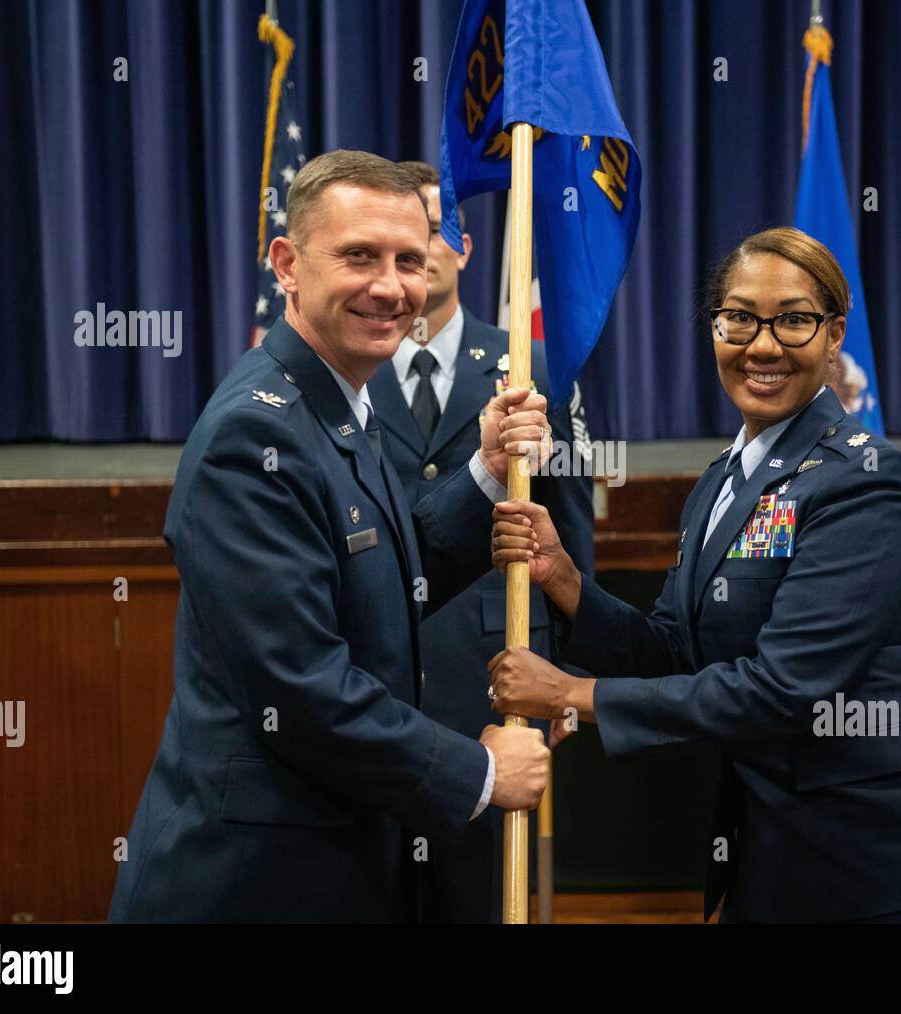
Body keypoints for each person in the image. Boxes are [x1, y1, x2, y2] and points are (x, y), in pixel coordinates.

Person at [488, 226, 901, 923]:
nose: (762, 344)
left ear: (834, 335)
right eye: (739, 317)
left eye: (794, 320)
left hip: (899, 867)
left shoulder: (866, 480)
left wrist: (573, 693)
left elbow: (782, 691)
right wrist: (562, 578)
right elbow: (676, 652)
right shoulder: (722, 480)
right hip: (783, 859)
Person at [109, 151, 552, 923]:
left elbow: (385, 576)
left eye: (408, 260)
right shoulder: (254, 434)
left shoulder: (336, 400)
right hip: (256, 883)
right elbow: (303, 689)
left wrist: (482, 474)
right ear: (286, 264)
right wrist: (478, 772)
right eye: (358, 256)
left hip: (334, 858)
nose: (390, 287)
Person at [361, 161, 593, 923]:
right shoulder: (348, 369)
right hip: (374, 679)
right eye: (392, 238)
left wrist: (565, 676)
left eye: (432, 229)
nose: (418, 248)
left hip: (490, 679)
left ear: (462, 245)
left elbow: (567, 537)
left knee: (479, 901)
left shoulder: (527, 368)